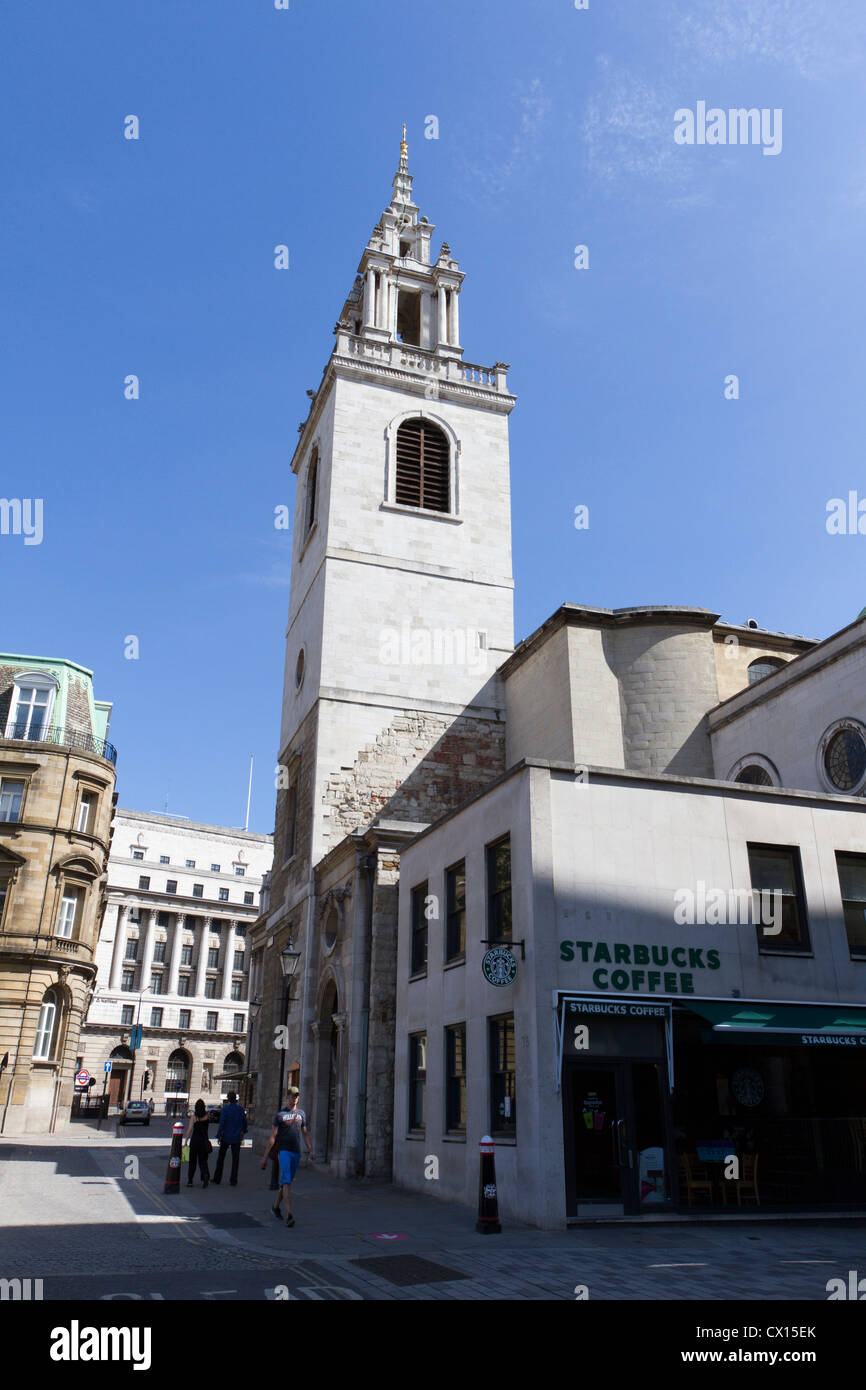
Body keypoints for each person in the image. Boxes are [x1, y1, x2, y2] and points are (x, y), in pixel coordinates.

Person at [260, 1086, 313, 1227]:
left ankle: (275, 1206)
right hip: (283, 1152)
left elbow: (305, 1133)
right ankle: (289, 1214)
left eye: (296, 1096)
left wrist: (311, 1149)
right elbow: (273, 1137)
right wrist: (265, 1157)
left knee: (285, 1182)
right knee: (287, 1182)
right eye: (292, 1096)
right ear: (287, 1097)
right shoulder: (280, 1115)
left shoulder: (301, 1114)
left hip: (296, 1152)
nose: (294, 1098)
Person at [212, 1091, 247, 1186]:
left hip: (226, 1136)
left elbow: (222, 1123)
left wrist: (219, 1135)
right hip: (236, 1137)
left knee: (221, 1158)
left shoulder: (225, 1109)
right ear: (236, 1098)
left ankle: (217, 1178)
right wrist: (243, 1131)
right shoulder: (240, 1109)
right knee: (235, 1159)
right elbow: (244, 1122)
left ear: (228, 1099)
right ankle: (233, 1180)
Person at [184, 1098, 211, 1188]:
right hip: (204, 1141)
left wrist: (186, 1141)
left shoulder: (194, 1117)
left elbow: (190, 1129)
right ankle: (205, 1175)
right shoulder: (207, 1116)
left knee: (192, 1162)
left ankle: (190, 1181)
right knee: (203, 1161)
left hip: (195, 1141)